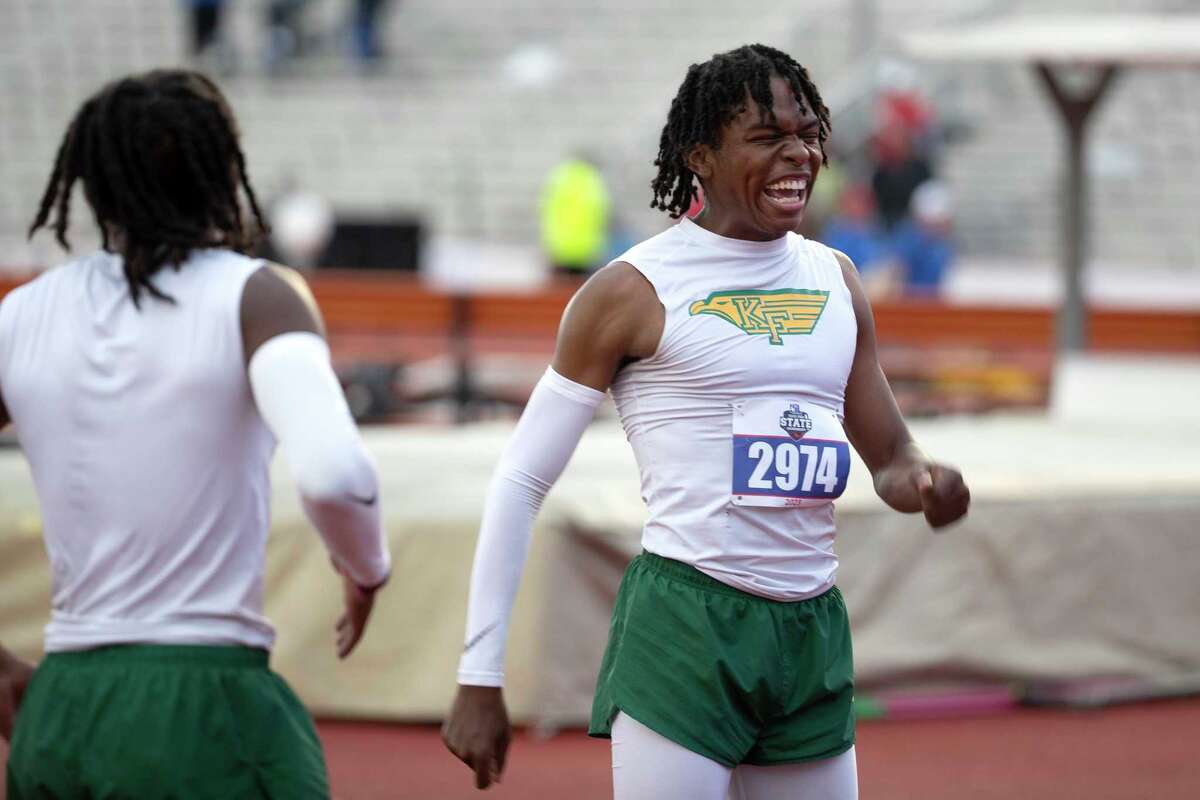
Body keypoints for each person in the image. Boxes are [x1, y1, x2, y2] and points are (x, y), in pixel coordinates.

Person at [442, 44, 970, 799]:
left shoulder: (836, 280)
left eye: (810, 133)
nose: (800, 154)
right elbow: (523, 478)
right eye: (767, 137)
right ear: (701, 156)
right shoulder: (631, 291)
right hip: (687, 626)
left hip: (810, 629)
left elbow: (888, 453)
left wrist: (922, 481)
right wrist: (478, 673)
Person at [0, 70, 391, 798]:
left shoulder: (20, 314)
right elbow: (338, 474)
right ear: (222, 172)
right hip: (205, 701)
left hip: (60, 704)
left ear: (90, 179)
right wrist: (365, 568)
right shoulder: (258, 297)